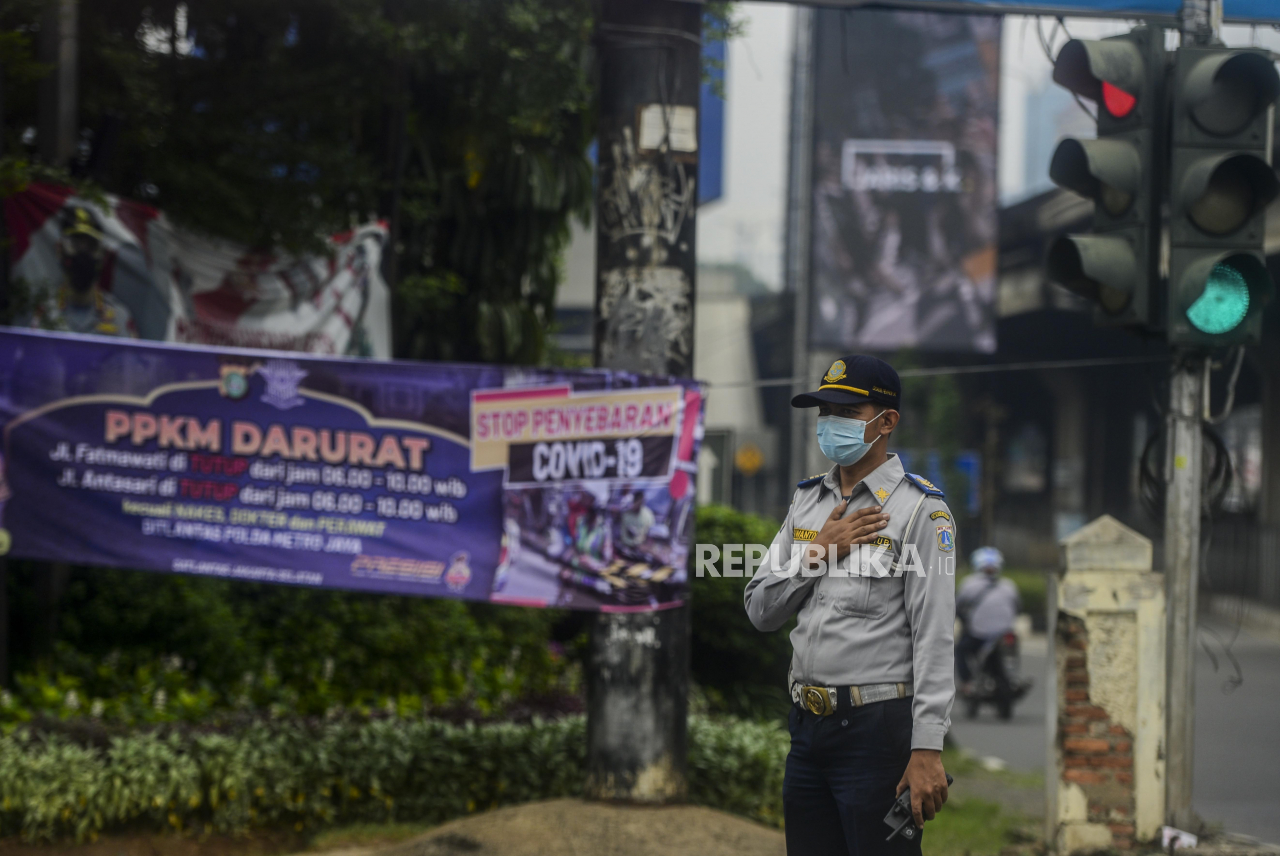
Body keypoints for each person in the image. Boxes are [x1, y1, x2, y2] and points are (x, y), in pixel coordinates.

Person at [744, 354, 955, 856]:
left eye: (845, 412)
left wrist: (927, 748)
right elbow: (760, 608)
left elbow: (935, 635)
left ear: (887, 422)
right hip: (807, 729)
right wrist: (819, 551)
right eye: (824, 412)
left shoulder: (920, 511)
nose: (829, 424)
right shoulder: (808, 503)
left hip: (876, 734)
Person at [29, 207, 138, 338]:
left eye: (91, 246)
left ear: (102, 254)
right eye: (75, 244)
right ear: (59, 250)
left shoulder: (119, 317)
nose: (83, 253)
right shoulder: (46, 313)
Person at [955, 547, 1020, 693]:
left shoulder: (968, 584)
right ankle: (1012, 678)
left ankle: (967, 683)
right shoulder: (1009, 585)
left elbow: (958, 606)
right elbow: (1017, 608)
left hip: (979, 634)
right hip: (1005, 634)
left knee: (960, 649)